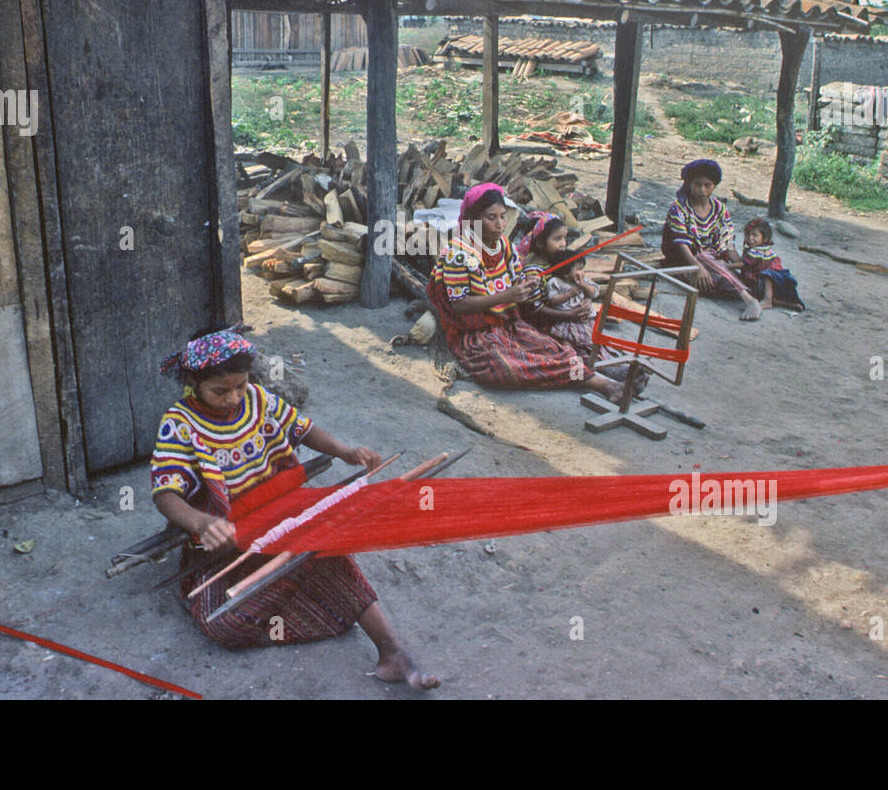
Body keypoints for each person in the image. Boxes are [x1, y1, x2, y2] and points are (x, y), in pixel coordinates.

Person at [150, 325, 439, 690]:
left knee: (325, 550)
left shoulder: (256, 399)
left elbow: (300, 428)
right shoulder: (179, 424)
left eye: (240, 386)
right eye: (220, 391)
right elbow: (165, 494)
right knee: (224, 624)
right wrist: (202, 522)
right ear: (193, 382)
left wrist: (343, 450)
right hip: (226, 540)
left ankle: (393, 651)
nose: (233, 398)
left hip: (281, 516)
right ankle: (305, 589)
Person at [428, 184, 626, 400]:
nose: (500, 224)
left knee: (553, 349)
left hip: (508, 323)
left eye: (503, 216)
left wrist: (529, 284)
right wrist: (509, 296)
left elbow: (516, 281)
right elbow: (459, 304)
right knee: (506, 367)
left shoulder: (504, 246)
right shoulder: (457, 253)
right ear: (472, 220)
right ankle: (601, 384)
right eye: (491, 217)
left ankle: (600, 382)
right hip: (471, 333)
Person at [661, 158, 765, 321]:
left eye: (707, 185)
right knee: (708, 272)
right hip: (685, 264)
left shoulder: (720, 209)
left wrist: (742, 264)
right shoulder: (679, 208)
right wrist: (699, 266)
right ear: (690, 184)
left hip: (714, 263)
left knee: (738, 276)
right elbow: (681, 244)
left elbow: (727, 242)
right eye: (697, 184)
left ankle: (747, 293)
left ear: (714, 185)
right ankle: (749, 299)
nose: (702, 190)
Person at [737, 218, 806, 313]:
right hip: (759, 284)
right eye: (748, 234)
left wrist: (727, 266)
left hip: (773, 282)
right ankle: (788, 305)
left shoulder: (760, 250)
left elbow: (744, 264)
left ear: (765, 238)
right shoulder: (751, 249)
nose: (750, 238)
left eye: (754, 235)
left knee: (766, 274)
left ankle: (767, 300)